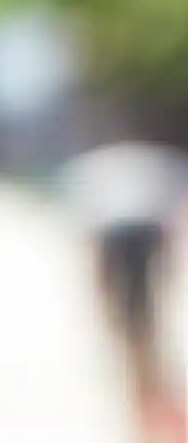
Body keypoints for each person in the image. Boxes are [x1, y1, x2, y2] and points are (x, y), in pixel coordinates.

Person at [60, 142, 188, 443]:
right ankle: (149, 401)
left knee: (135, 336)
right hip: (134, 248)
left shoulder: (96, 166)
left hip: (129, 249)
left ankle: (147, 404)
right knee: (141, 336)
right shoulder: (161, 164)